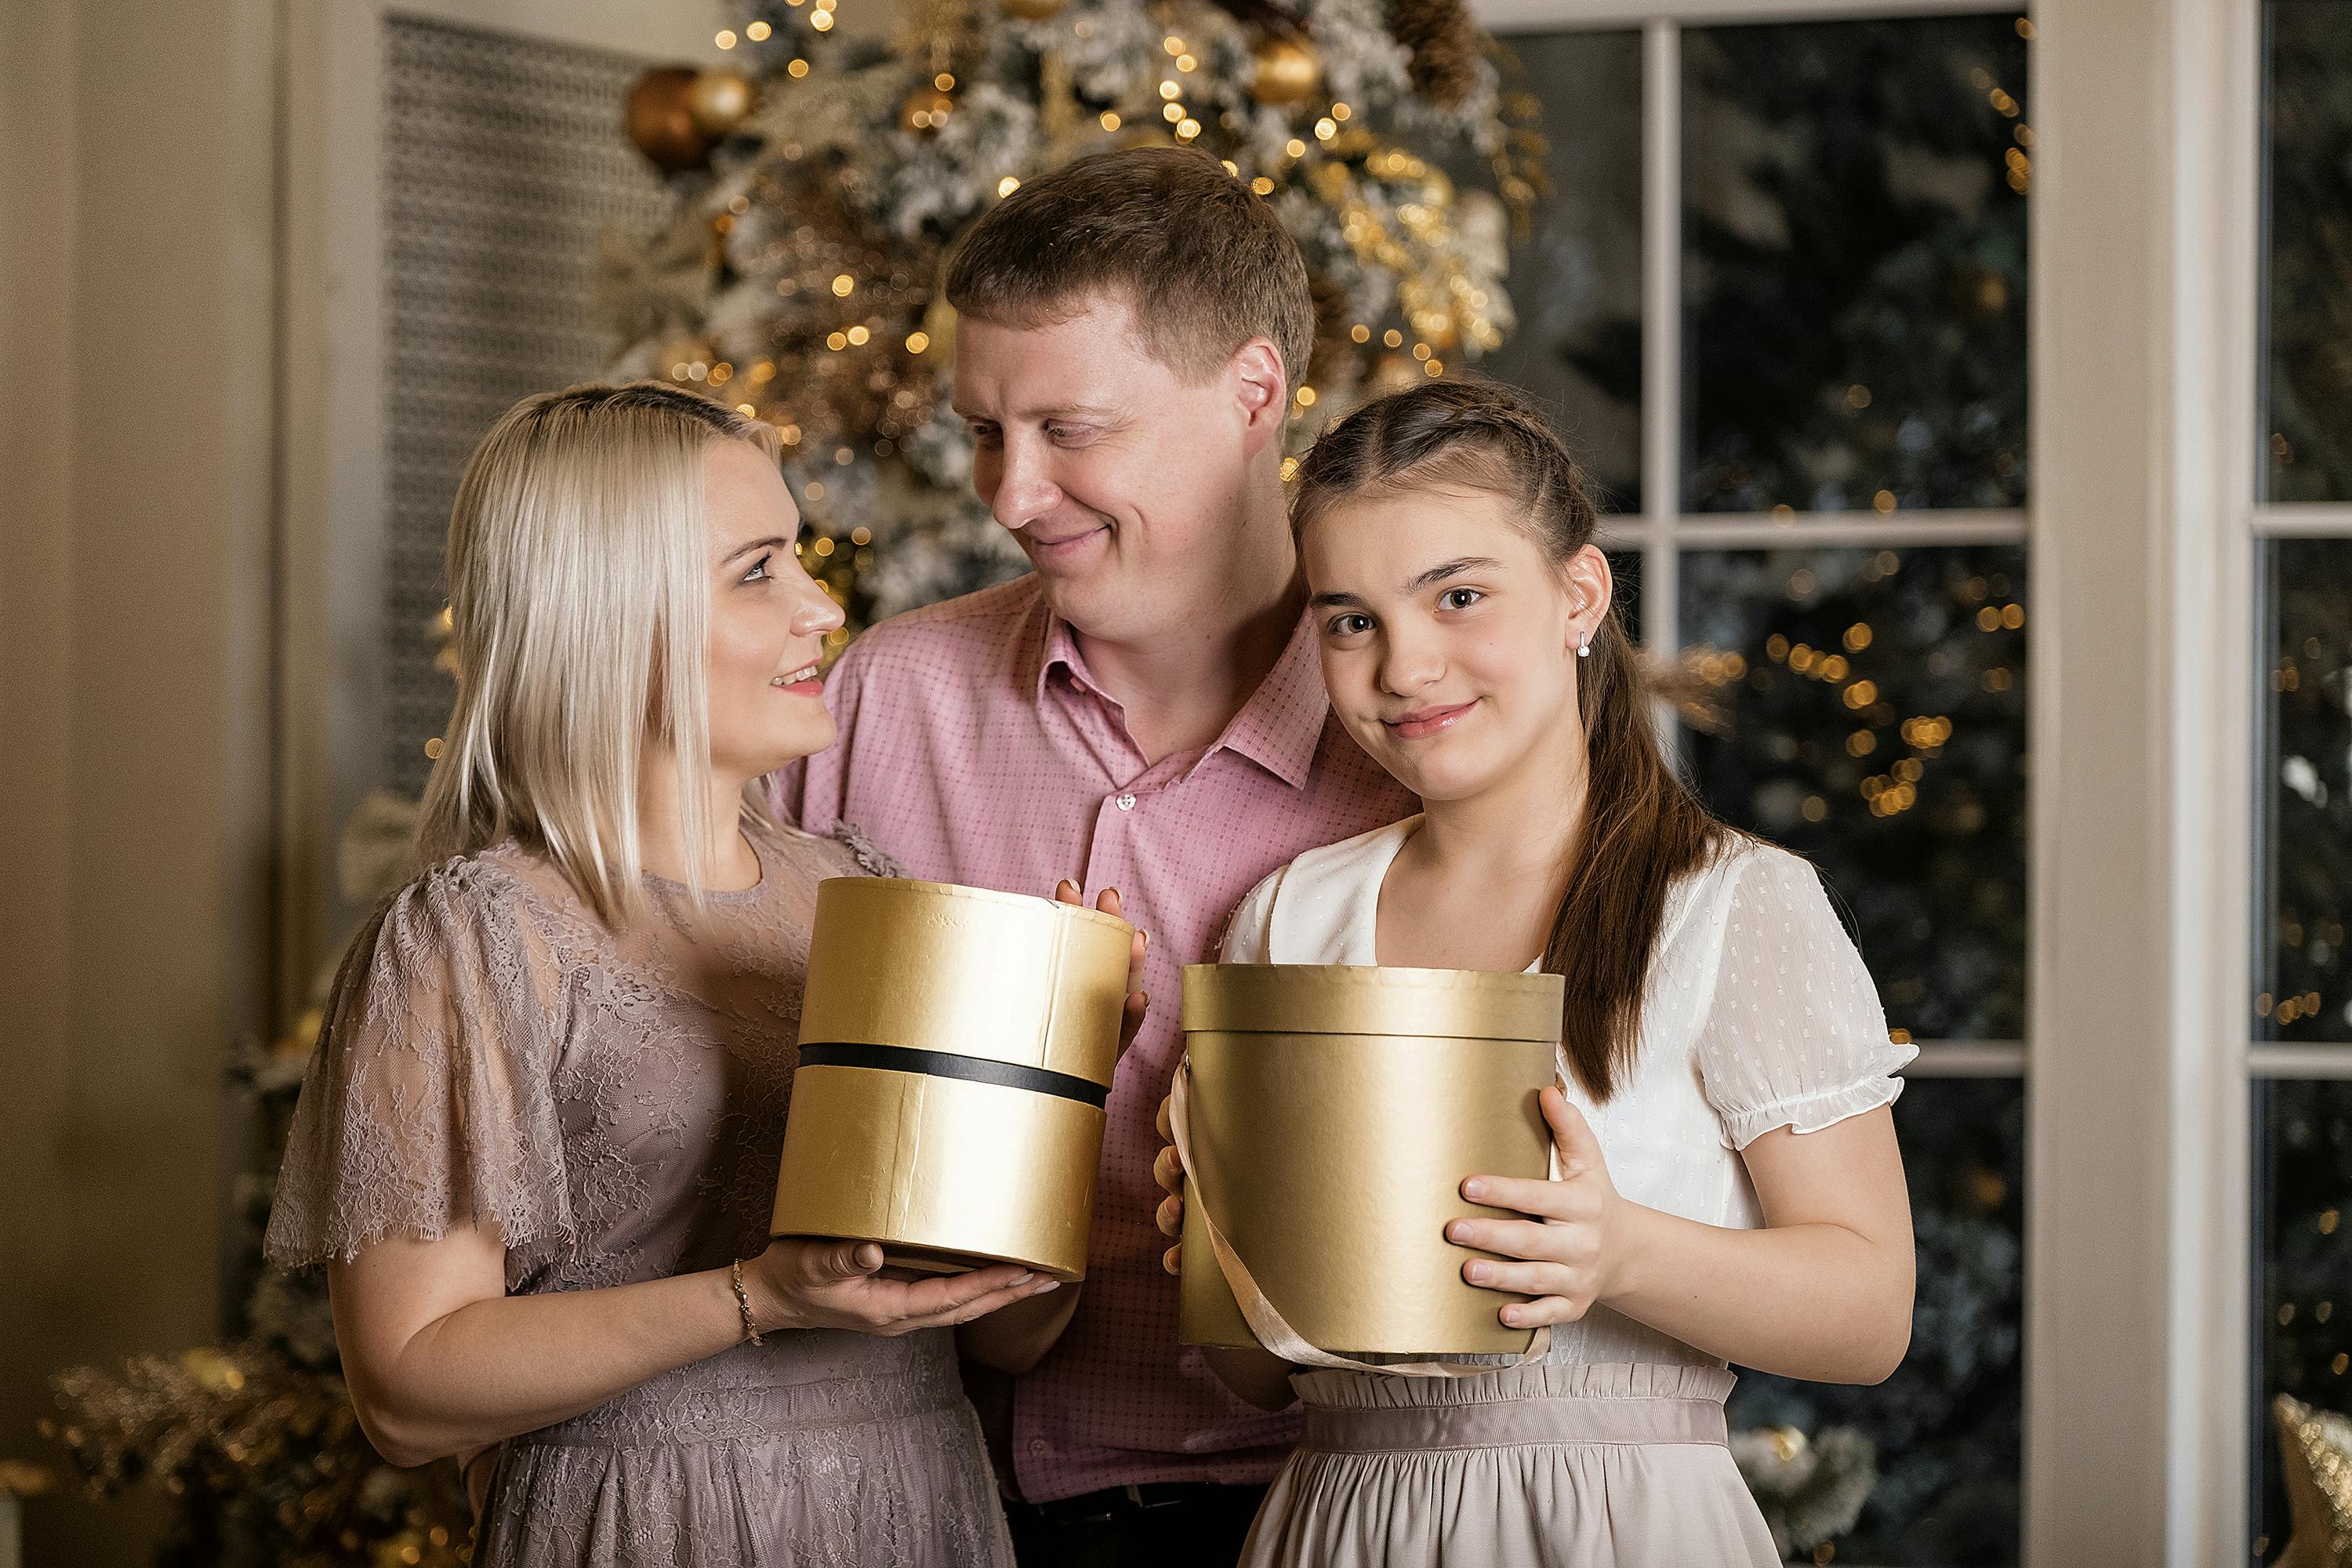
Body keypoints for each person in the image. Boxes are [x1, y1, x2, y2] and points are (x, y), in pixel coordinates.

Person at [265, 382, 1073, 1566]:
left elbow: (1011, 1334)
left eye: (798, 560)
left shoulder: (863, 890)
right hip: (650, 1528)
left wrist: (1055, 1085)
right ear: (607, 613)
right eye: (758, 572)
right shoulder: (474, 936)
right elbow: (405, 1391)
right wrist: (761, 1298)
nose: (821, 608)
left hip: (921, 1511)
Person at [1152, 379, 1918, 1567]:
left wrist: (1621, 1252)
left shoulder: (1731, 905)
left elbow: (1869, 1314)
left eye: (1458, 597)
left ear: (1579, 593)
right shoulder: (1288, 918)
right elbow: (1261, 1382)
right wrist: (1217, 1242)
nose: (1405, 667)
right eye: (1350, 620)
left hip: (1621, 1525)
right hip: (1342, 1522)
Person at [772, 146, 1414, 1565]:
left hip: (1336, 1512)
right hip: (947, 1508)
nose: (1011, 493)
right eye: (985, 433)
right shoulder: (883, 701)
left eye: (1072, 428)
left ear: (1256, 395)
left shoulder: (1421, 744)